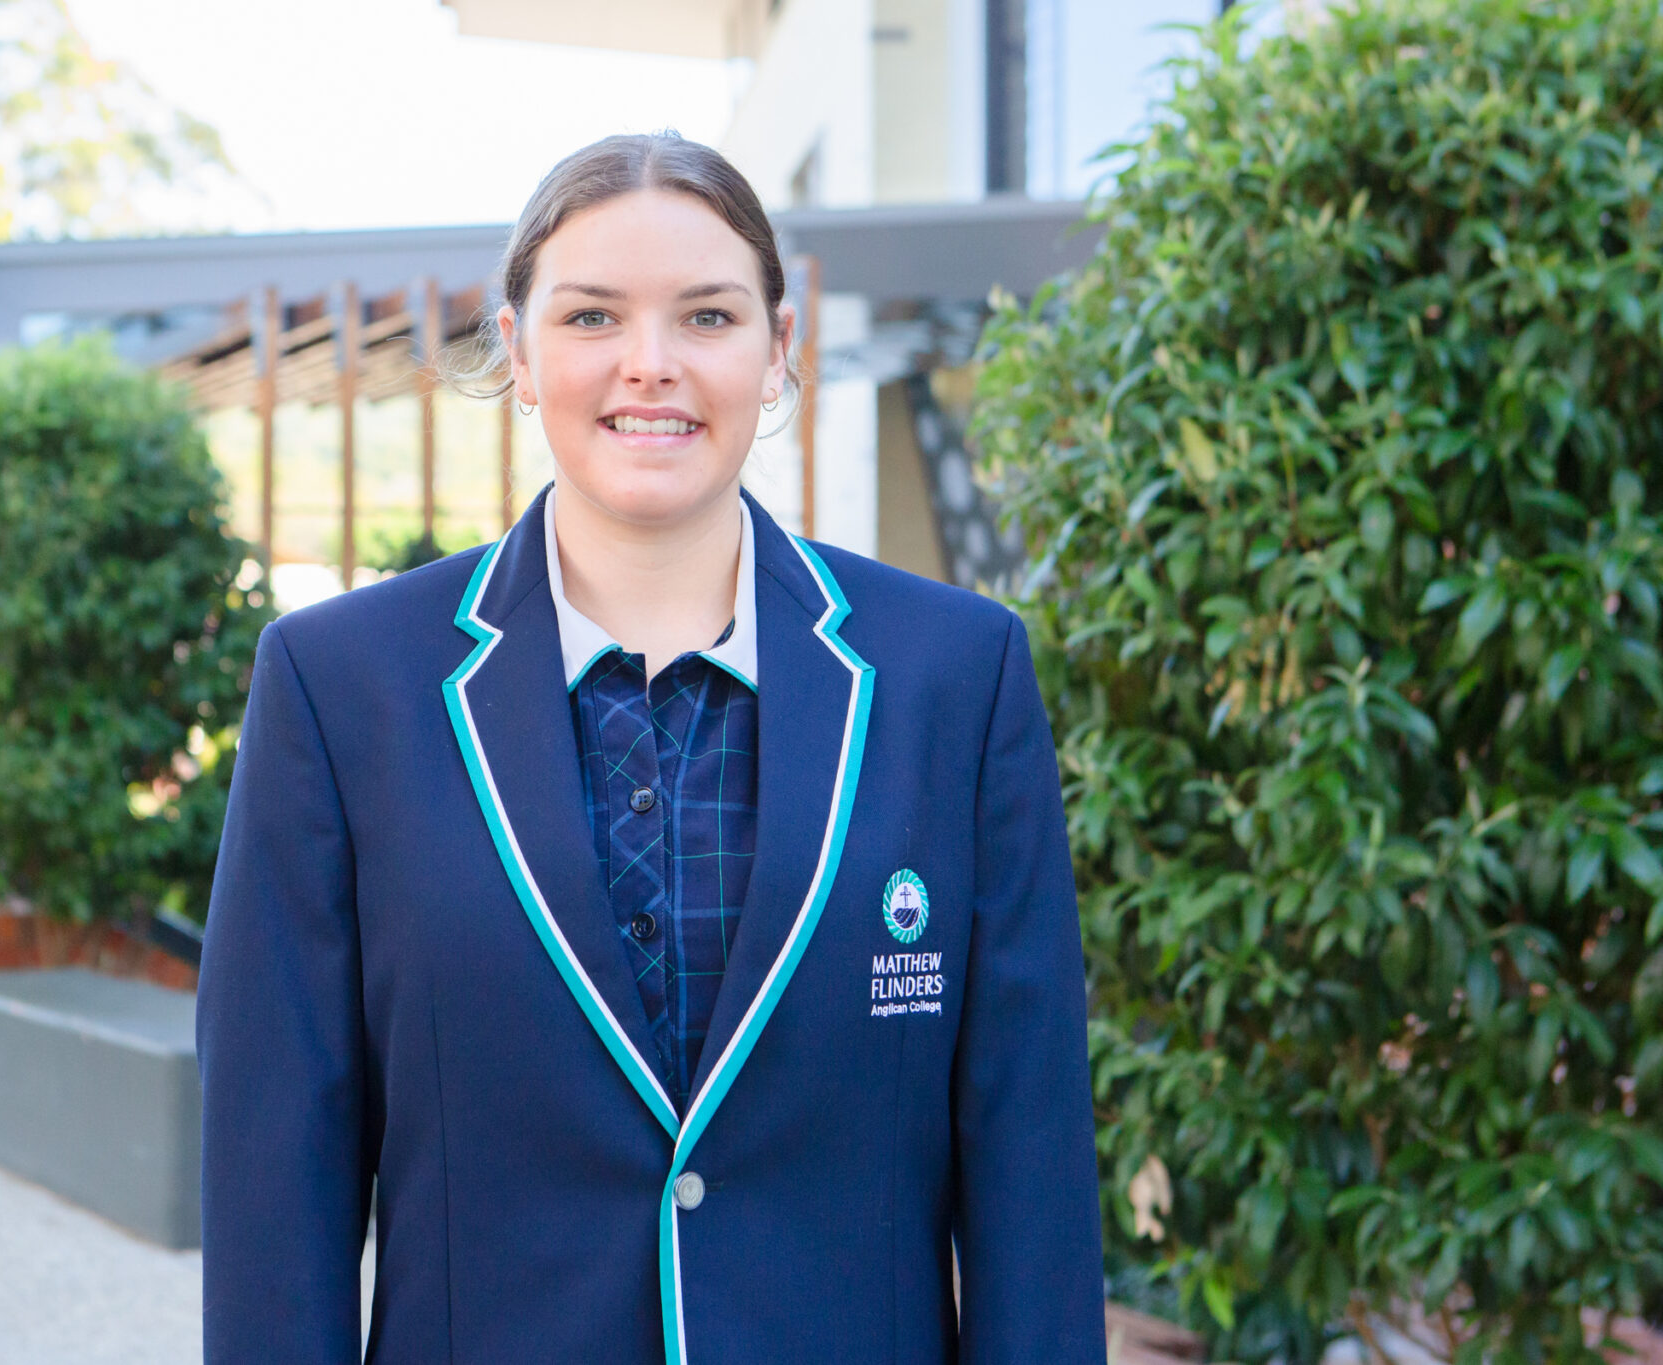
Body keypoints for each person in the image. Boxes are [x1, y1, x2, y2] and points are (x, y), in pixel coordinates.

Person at [197, 131, 1105, 1364]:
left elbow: (1028, 1161)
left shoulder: (954, 676)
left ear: (778, 348)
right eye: (589, 318)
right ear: (516, 352)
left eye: (707, 316)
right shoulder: (341, 690)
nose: (650, 365)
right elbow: (275, 1189)